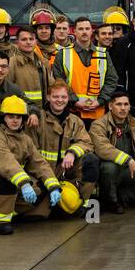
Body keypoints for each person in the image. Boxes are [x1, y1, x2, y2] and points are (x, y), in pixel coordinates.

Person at [0, 96, 60, 233]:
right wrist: (24, 183)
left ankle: (18, 213)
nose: (15, 120)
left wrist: (53, 186)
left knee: (41, 185)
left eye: (18, 117)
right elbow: (6, 162)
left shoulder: (25, 139)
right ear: (3, 118)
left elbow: (39, 163)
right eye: (10, 116)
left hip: (7, 177)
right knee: (9, 179)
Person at [33, 80, 100, 210]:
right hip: (41, 172)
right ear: (48, 97)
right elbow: (30, 152)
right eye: (55, 96)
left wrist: (72, 152)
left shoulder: (75, 121)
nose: (60, 100)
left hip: (64, 171)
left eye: (63, 97)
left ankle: (83, 203)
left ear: (68, 98)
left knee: (91, 160)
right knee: (39, 214)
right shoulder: (37, 120)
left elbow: (87, 143)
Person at [52, 16, 116, 125]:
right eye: (81, 29)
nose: (84, 32)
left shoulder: (104, 54)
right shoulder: (62, 54)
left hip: (99, 114)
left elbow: (111, 80)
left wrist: (100, 101)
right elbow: (59, 81)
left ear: (92, 31)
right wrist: (75, 101)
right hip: (72, 112)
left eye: (87, 29)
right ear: (74, 31)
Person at [8, 27, 50, 110]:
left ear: (36, 41)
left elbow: (51, 85)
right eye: (24, 39)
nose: (28, 42)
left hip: (43, 111)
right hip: (21, 112)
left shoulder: (44, 62)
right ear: (17, 42)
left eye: (31, 39)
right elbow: (7, 90)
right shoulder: (12, 63)